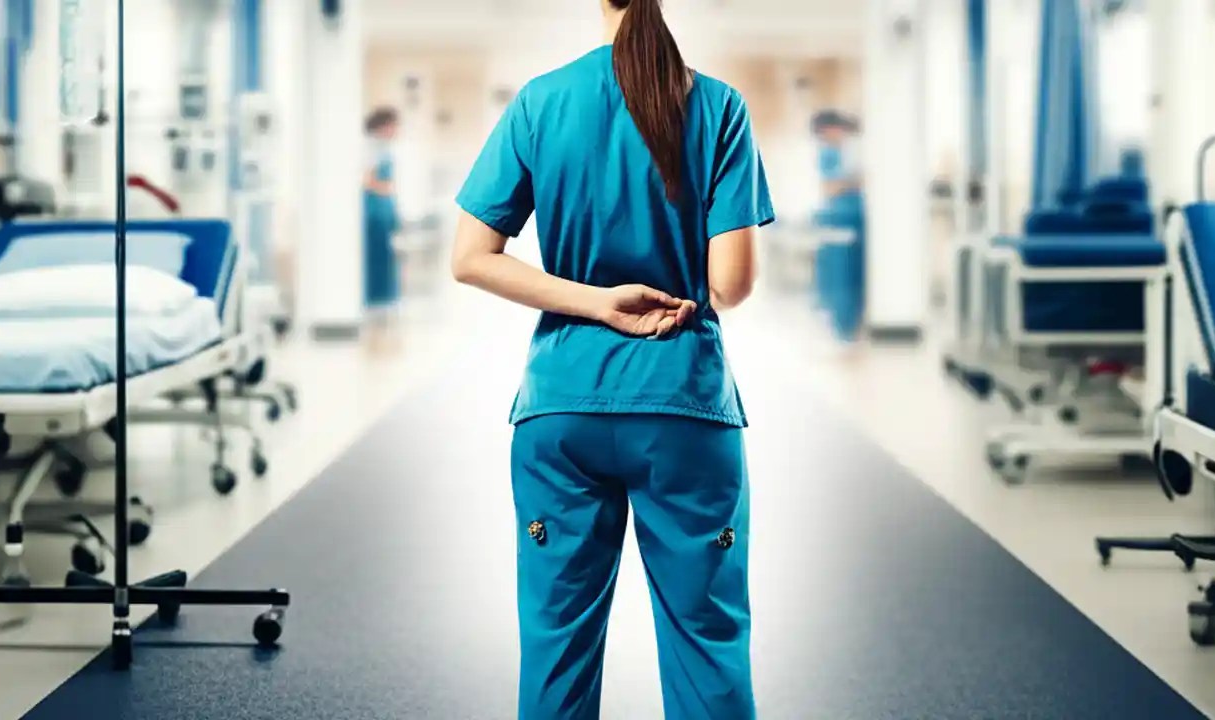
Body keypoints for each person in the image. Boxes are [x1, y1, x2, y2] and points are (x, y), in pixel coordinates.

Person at [450, 0, 773, 717]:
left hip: (561, 408)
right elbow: (731, 285)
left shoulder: (541, 102)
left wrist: (596, 302)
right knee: (707, 640)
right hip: (683, 406)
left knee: (556, 645)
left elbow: (471, 258)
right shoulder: (718, 106)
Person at [810, 110, 866, 342]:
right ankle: (844, 329)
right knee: (841, 276)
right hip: (840, 220)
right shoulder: (828, 155)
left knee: (852, 277)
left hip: (852, 219)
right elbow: (831, 188)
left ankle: (849, 328)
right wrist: (855, 182)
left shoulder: (846, 154)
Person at [363, 107, 403, 352]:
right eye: (393, 126)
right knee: (377, 260)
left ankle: (385, 305)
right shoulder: (372, 149)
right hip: (374, 211)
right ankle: (376, 305)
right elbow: (366, 180)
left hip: (384, 211)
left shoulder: (384, 150)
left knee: (387, 260)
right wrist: (385, 189)